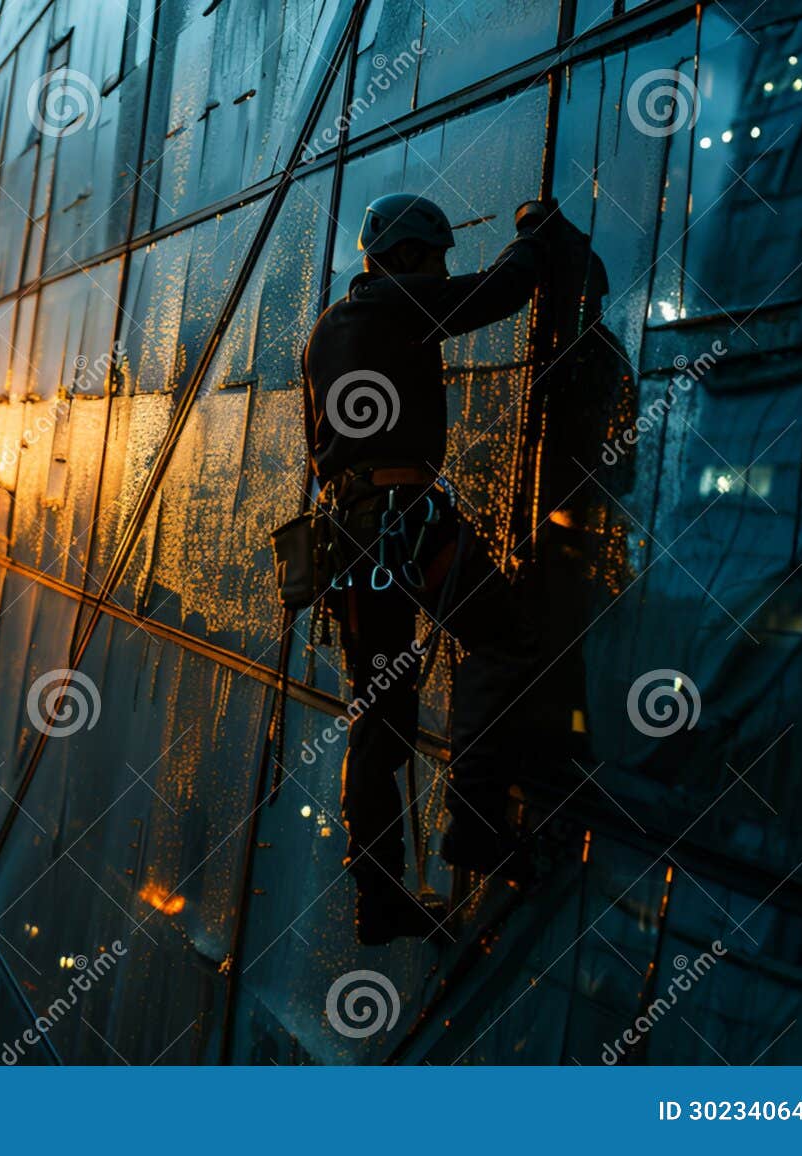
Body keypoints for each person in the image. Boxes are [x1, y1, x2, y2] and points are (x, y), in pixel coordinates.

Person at [302, 192, 578, 946]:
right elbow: (503, 291)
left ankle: (378, 896)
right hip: (407, 524)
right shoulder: (397, 304)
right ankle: (478, 824)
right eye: (434, 259)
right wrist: (533, 233)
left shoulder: (325, 332)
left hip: (351, 543)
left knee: (379, 724)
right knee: (503, 639)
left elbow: (319, 449)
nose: (440, 270)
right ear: (405, 256)